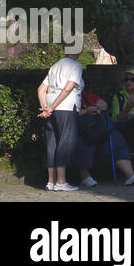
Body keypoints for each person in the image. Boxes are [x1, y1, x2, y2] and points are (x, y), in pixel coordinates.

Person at [75, 83, 134, 187]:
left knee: (115, 139)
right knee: (84, 141)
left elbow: (104, 105)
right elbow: (69, 115)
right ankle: (85, 177)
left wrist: (98, 107)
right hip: (81, 128)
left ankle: (130, 176)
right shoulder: (66, 98)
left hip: (98, 126)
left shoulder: (86, 95)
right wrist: (86, 111)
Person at [38, 50, 84, 192]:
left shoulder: (54, 66)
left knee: (52, 143)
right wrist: (52, 107)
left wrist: (46, 107)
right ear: (79, 51)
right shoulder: (76, 66)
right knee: (65, 142)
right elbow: (68, 88)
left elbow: (41, 89)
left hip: (51, 110)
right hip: (66, 108)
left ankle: (50, 181)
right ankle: (61, 181)